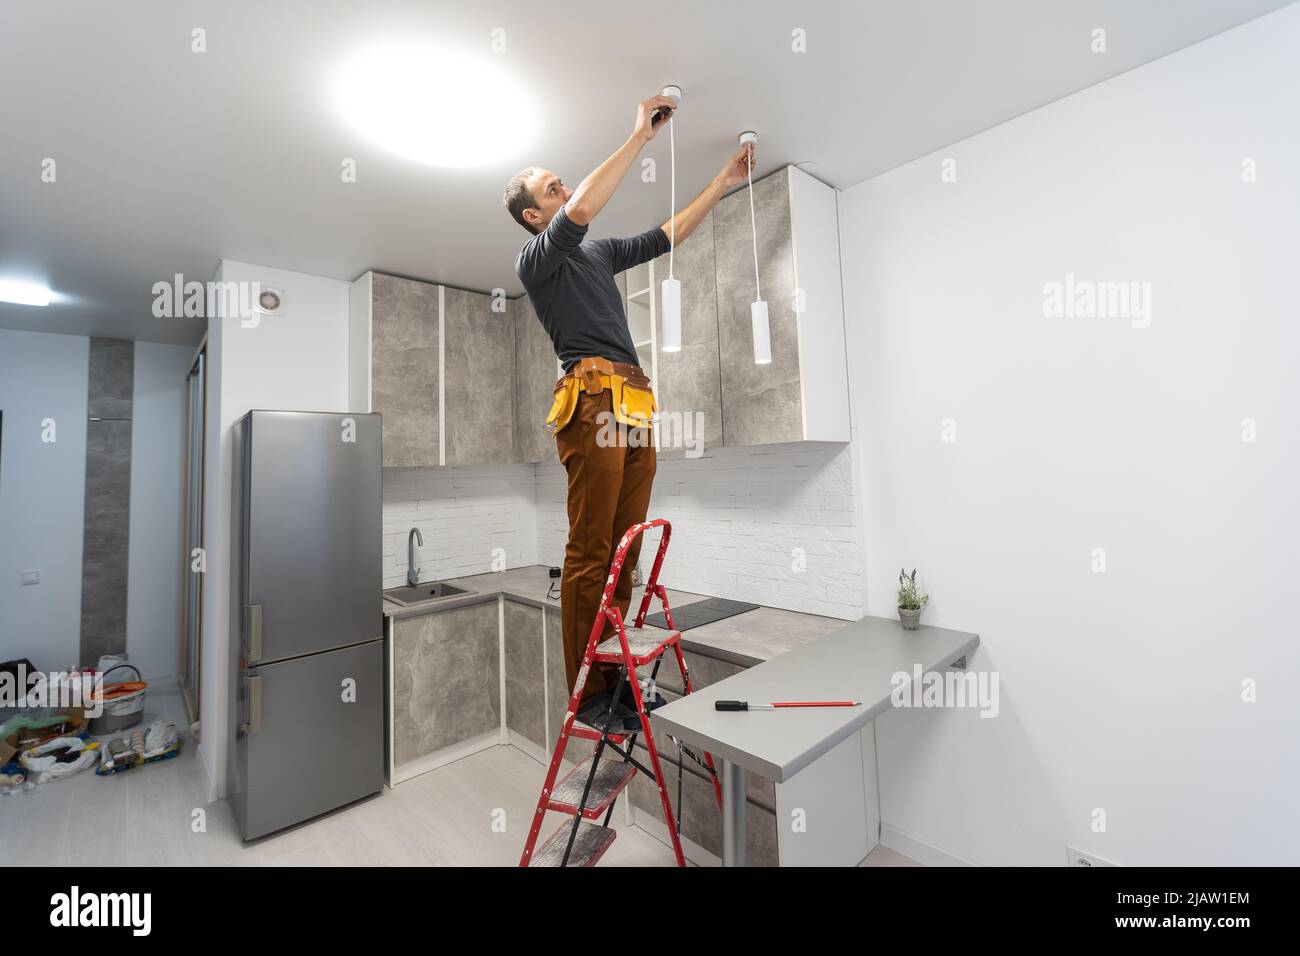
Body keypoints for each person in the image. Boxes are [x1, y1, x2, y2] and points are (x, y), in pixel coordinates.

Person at [503, 92, 755, 720]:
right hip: (591, 399)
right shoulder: (537, 260)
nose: (564, 189)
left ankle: (615, 679)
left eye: (562, 182)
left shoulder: (597, 254)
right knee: (591, 550)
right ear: (536, 215)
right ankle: (589, 695)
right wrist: (638, 136)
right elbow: (586, 206)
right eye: (552, 187)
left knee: (625, 546)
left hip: (635, 401)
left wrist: (722, 183)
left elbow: (665, 236)